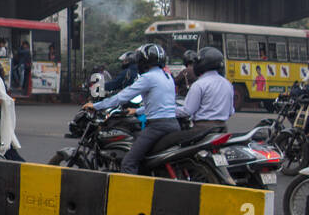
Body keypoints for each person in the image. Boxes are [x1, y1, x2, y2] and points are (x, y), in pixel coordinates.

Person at [86, 43, 177, 175]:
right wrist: (137, 111)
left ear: (143, 61)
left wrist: (95, 106)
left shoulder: (148, 78)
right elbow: (159, 104)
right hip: (173, 123)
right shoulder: (167, 77)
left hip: (157, 127)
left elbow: (121, 97)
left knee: (128, 163)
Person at [177, 47, 234, 131]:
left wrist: (168, 112)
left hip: (202, 129)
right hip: (222, 128)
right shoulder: (228, 84)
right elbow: (230, 111)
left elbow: (187, 111)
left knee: (169, 140)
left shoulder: (199, 84)